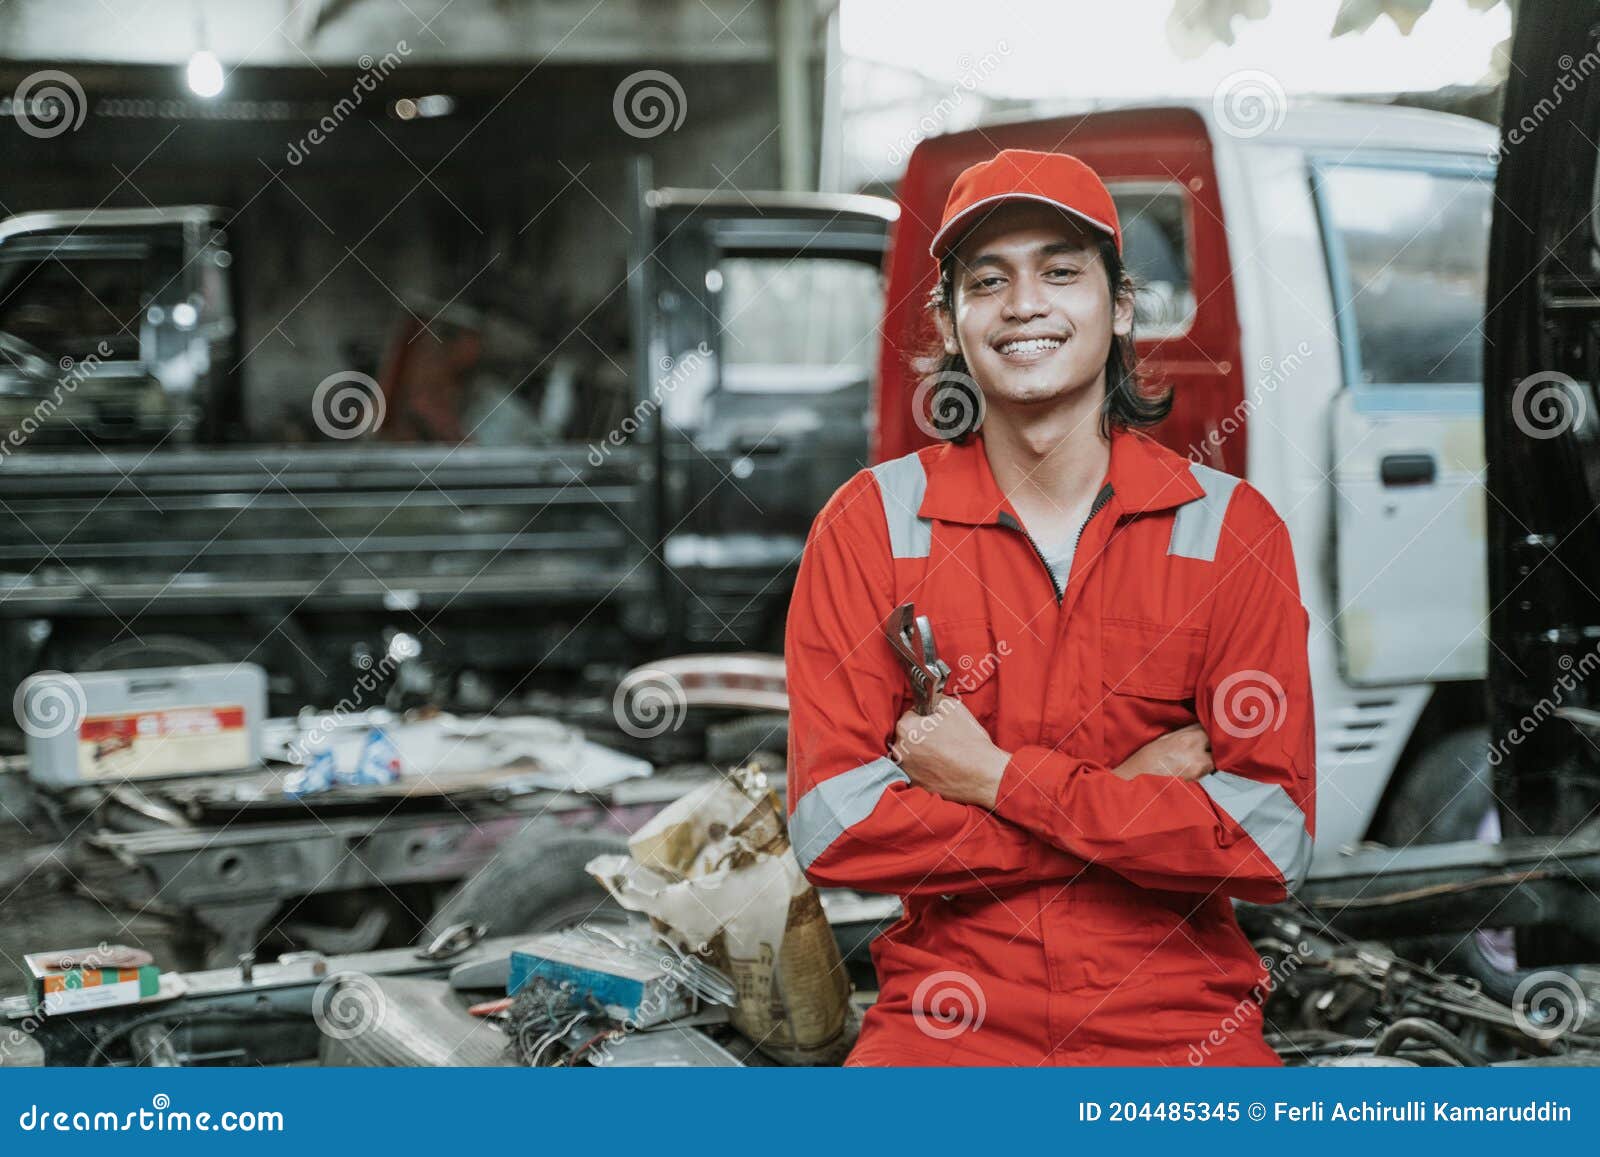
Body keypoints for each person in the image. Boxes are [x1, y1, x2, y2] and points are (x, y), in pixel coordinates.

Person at [783, 149, 1315, 1066]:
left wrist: (994, 778)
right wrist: (1134, 792)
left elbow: (1270, 843)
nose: (1025, 303)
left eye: (1061, 272)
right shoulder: (870, 523)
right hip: (947, 1016)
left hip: (1180, 1015)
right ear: (950, 323)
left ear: (1119, 308)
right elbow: (834, 827)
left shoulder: (1231, 530)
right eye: (989, 281)